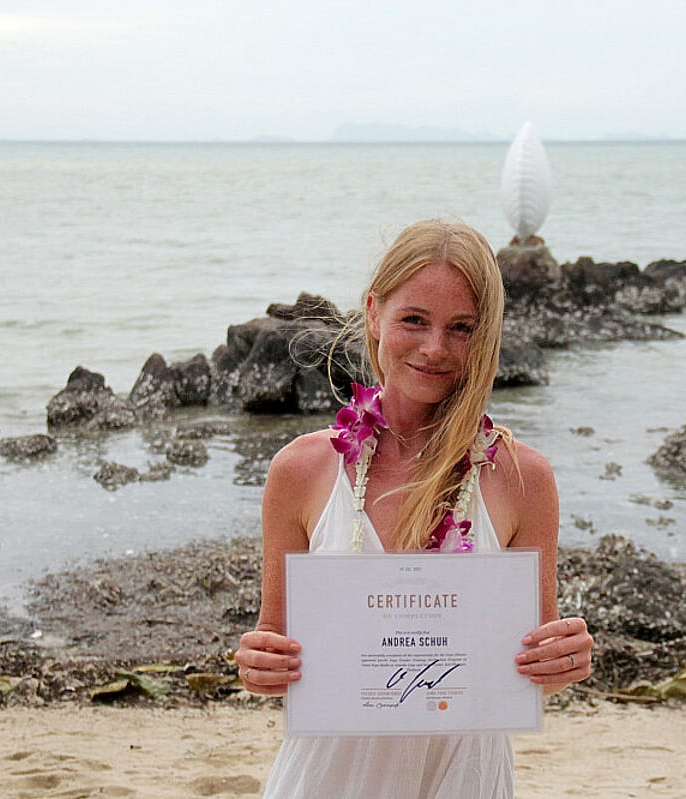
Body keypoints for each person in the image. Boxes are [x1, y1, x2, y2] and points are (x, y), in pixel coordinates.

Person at [235, 219, 594, 798]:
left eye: (461, 328)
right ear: (374, 313)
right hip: (329, 778)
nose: (435, 348)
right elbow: (273, 650)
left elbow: (535, 669)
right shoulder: (300, 471)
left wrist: (562, 661)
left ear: (486, 336)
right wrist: (260, 664)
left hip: (463, 777)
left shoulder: (521, 477)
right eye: (414, 320)